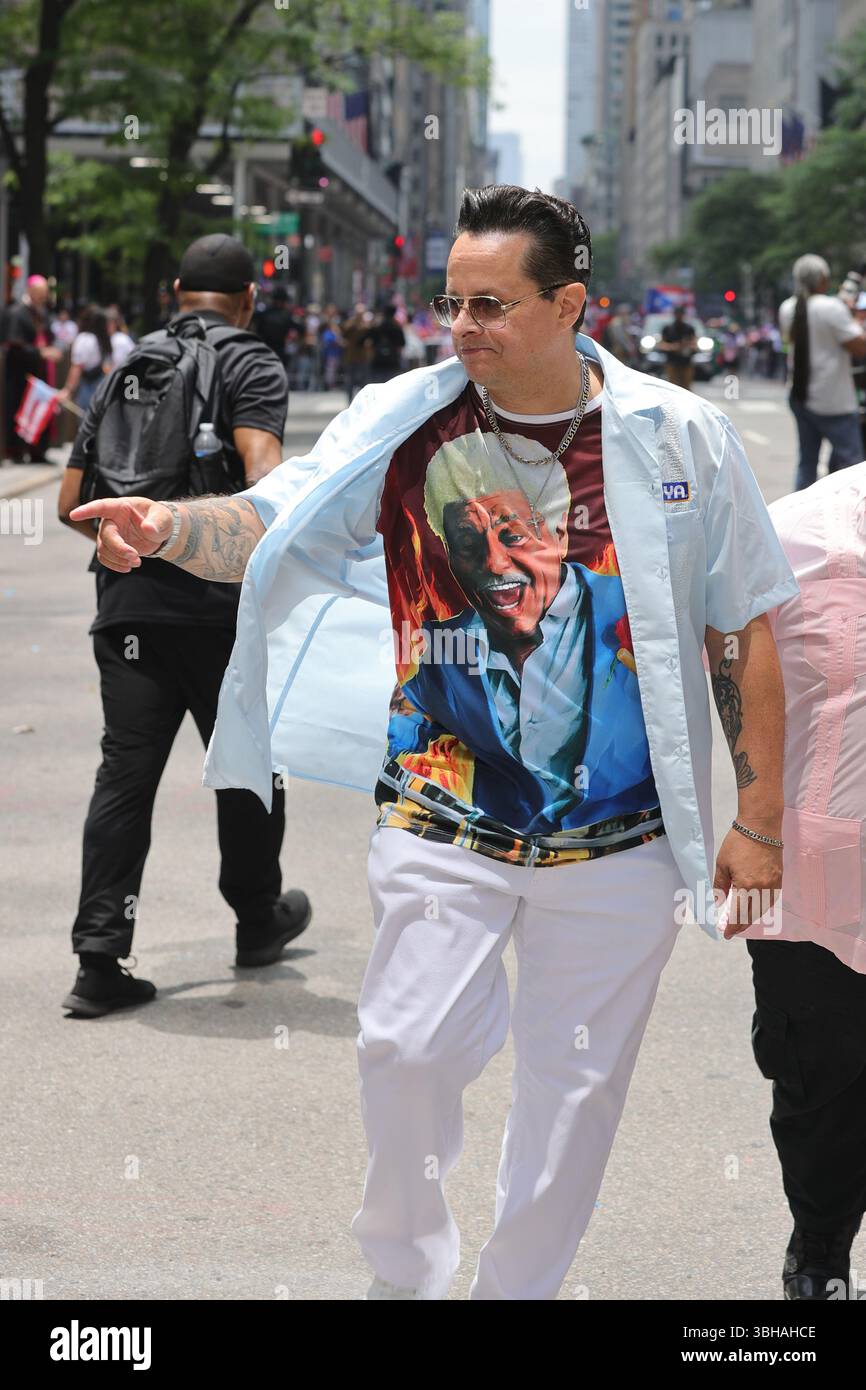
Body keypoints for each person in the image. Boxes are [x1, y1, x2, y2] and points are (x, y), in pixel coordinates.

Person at [71, 185, 798, 1299]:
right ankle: (403, 1279)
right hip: (438, 811)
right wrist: (164, 526)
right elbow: (274, 517)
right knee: (402, 1055)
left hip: (620, 838)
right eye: (449, 301)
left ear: (570, 306)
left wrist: (756, 823)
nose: (460, 326)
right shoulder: (404, 416)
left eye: (490, 304)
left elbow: (735, 624)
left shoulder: (676, 435)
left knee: (573, 1100)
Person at [58, 233, 309, 1018]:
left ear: (174, 290)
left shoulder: (128, 364)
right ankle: (256, 920)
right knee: (246, 763)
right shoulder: (251, 360)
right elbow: (265, 474)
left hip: (127, 608)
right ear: (247, 298)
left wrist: (129, 541)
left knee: (124, 779)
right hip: (218, 607)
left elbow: (72, 497)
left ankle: (100, 959)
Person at [724, 461, 866, 1299]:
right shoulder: (794, 536)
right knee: (817, 1074)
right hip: (820, 876)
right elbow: (727, 670)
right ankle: (820, 1253)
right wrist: (752, 826)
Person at [778, 254, 866, 491]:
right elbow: (860, 347)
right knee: (853, 466)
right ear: (823, 280)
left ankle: (803, 516)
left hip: (800, 396)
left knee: (807, 463)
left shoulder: (787, 308)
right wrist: (855, 319)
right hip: (833, 400)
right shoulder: (831, 308)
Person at [1, 274, 62, 462]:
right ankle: (17, 451)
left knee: (41, 409)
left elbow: (50, 337)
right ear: (30, 291)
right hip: (20, 373)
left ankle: (38, 451)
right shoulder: (17, 312)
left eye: (45, 293)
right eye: (40, 293)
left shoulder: (42, 313)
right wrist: (41, 353)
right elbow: (13, 344)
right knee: (18, 410)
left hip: (40, 372)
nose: (43, 297)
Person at [56, 305, 112, 413]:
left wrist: (68, 390)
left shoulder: (84, 339)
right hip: (102, 387)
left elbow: (77, 367)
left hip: (87, 388)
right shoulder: (104, 340)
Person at [254, 285, 295, 379]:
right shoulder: (287, 316)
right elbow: (300, 329)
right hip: (279, 351)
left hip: (263, 349)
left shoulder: (263, 313)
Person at [658, 304, 698, 390]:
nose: (679, 316)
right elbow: (662, 345)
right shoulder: (668, 329)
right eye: (677, 313)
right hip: (672, 362)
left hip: (686, 362)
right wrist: (673, 347)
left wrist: (685, 346)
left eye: (680, 314)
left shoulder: (689, 328)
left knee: (686, 388)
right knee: (673, 388)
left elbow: (694, 345)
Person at [364, 302, 405, 384]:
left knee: (377, 385)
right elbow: (402, 343)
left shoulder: (376, 327)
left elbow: (364, 341)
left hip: (377, 360)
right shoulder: (397, 328)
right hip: (393, 361)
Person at [340, 303, 373, 402]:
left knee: (364, 381)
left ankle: (362, 402)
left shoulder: (366, 326)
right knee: (350, 380)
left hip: (363, 357)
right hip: (351, 357)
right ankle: (350, 401)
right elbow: (343, 333)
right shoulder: (350, 325)